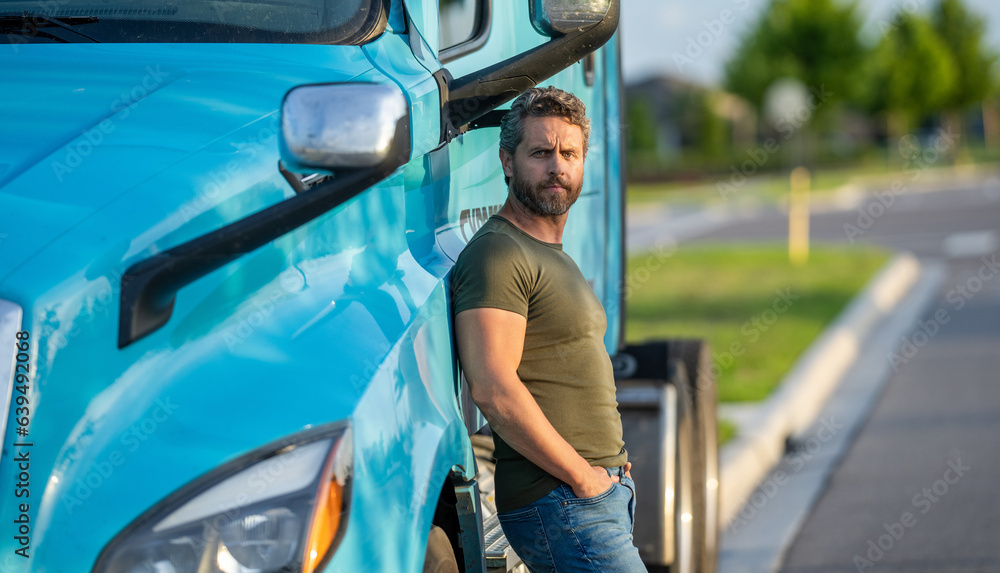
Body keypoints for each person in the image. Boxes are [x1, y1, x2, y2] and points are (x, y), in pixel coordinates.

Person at [451, 86, 645, 572]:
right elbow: (493, 388)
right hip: (561, 501)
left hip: (595, 496)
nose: (557, 166)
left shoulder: (550, 253)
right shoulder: (499, 252)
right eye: (540, 153)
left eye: (569, 153)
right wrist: (583, 476)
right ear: (508, 162)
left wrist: (609, 472)